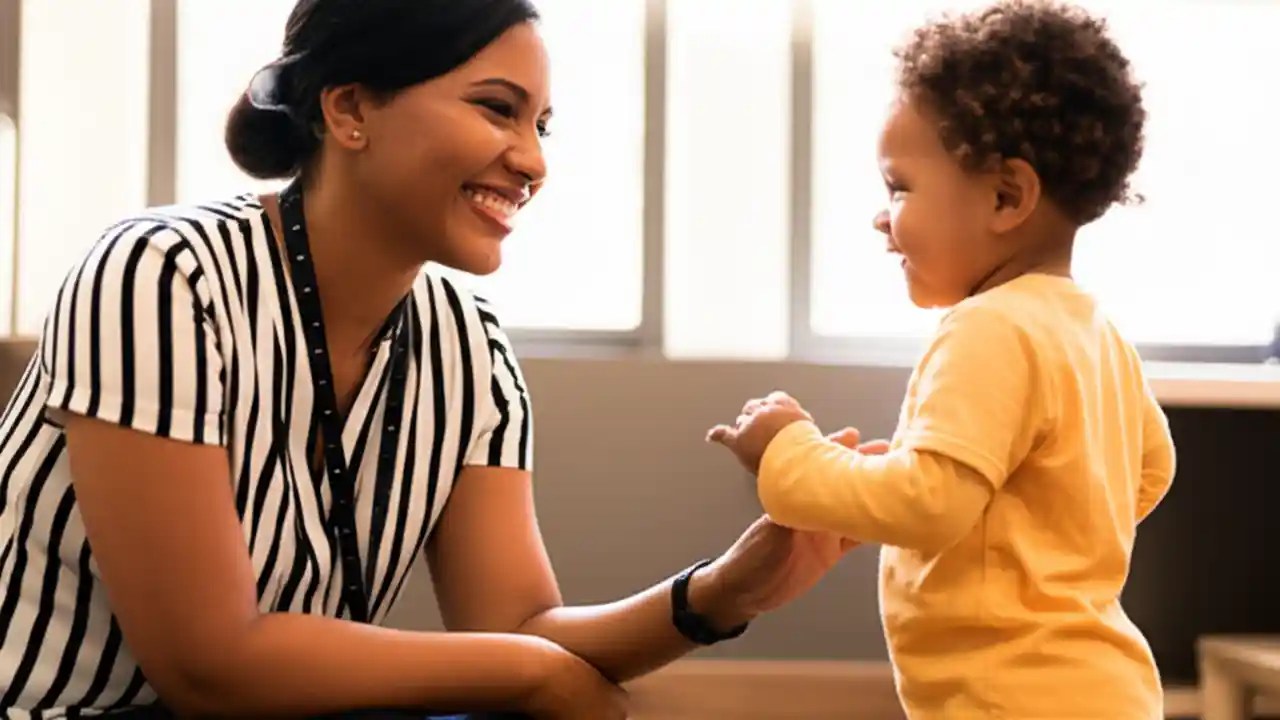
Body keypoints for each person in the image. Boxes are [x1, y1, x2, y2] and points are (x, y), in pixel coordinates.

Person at [0, 1, 866, 717]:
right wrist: (535, 674)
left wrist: (723, 593)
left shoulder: (469, 343)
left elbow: (523, 624)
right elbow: (211, 663)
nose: (532, 161)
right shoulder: (162, 275)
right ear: (348, 111)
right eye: (496, 108)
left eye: (541, 125)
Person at [707, 1, 1176, 718]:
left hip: (1013, 697)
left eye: (900, 188)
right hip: (1095, 686)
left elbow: (928, 504)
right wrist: (1010, 514)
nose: (881, 215)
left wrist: (787, 455)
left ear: (1005, 195)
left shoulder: (987, 327)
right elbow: (1149, 470)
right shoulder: (1095, 330)